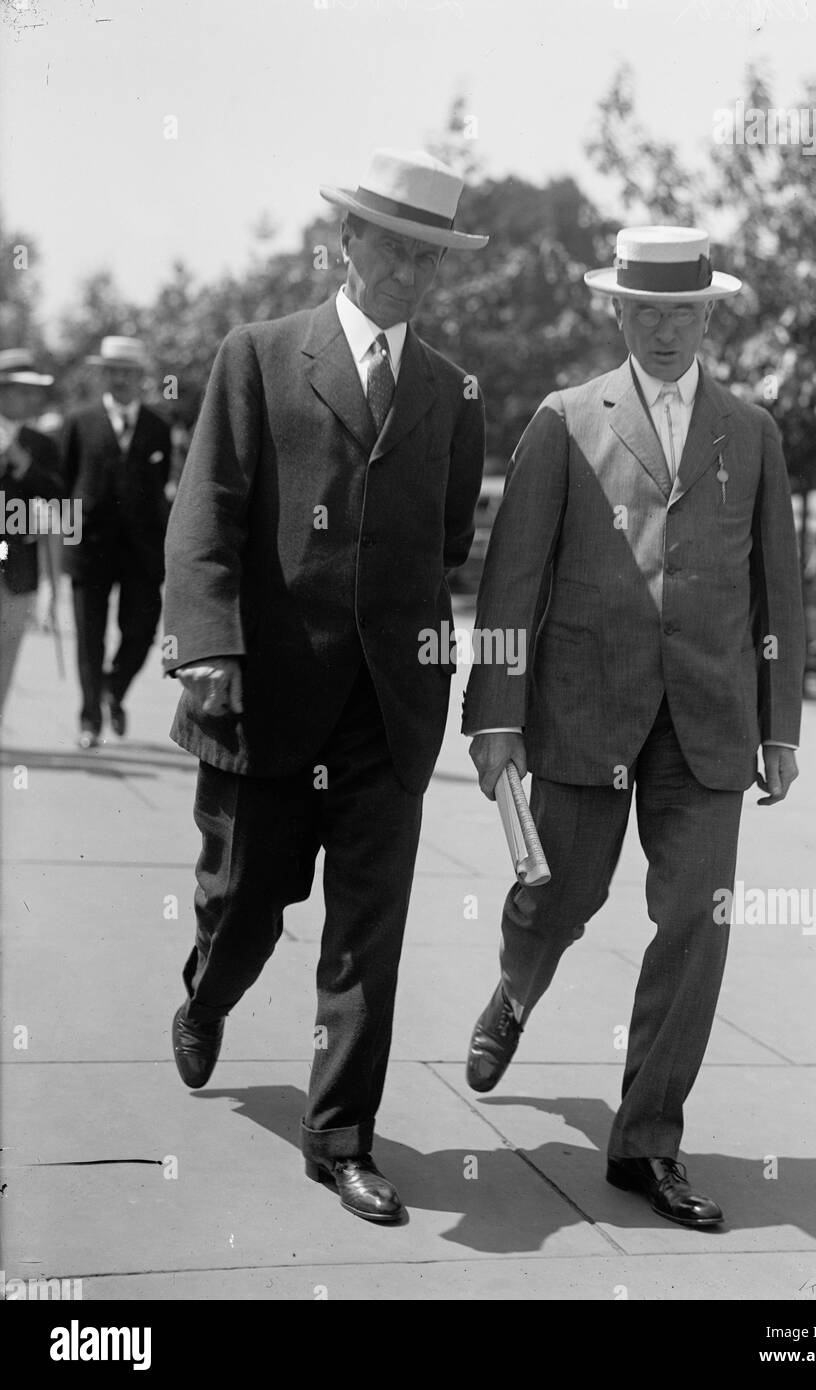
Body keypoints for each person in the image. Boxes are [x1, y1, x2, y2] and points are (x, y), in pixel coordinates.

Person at [162, 149, 488, 1223]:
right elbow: (206, 509)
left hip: (386, 715)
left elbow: (443, 540)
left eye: (427, 255)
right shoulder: (255, 357)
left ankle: (339, 1136)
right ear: (345, 241)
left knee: (367, 931)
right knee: (244, 903)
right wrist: (208, 644)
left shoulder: (448, 392)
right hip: (266, 698)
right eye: (390, 244)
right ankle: (207, 990)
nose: (406, 269)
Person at [462, 225, 805, 1228]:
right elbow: (510, 579)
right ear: (614, 309)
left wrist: (778, 725)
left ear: (707, 315)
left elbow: (777, 590)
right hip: (581, 705)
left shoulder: (751, 434)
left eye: (680, 312)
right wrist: (494, 715)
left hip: (706, 722)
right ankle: (514, 992)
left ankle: (645, 1138)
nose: (661, 329)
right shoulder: (564, 420)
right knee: (556, 896)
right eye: (642, 310)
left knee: (697, 921)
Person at [61, 336, 173, 748]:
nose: (122, 379)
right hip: (89, 549)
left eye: (129, 372)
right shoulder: (80, 421)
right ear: (103, 374)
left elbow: (161, 489)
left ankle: (115, 688)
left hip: (141, 553)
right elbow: (65, 481)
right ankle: (90, 719)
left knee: (142, 630)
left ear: (141, 377)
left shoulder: (158, 427)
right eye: (114, 371)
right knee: (89, 637)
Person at [0, 350, 62, 720]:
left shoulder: (42, 445)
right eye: (22, 391)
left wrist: (23, 465)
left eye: (33, 392)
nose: (31, 399)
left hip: (18, 567)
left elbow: (58, 496)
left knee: (6, 650)